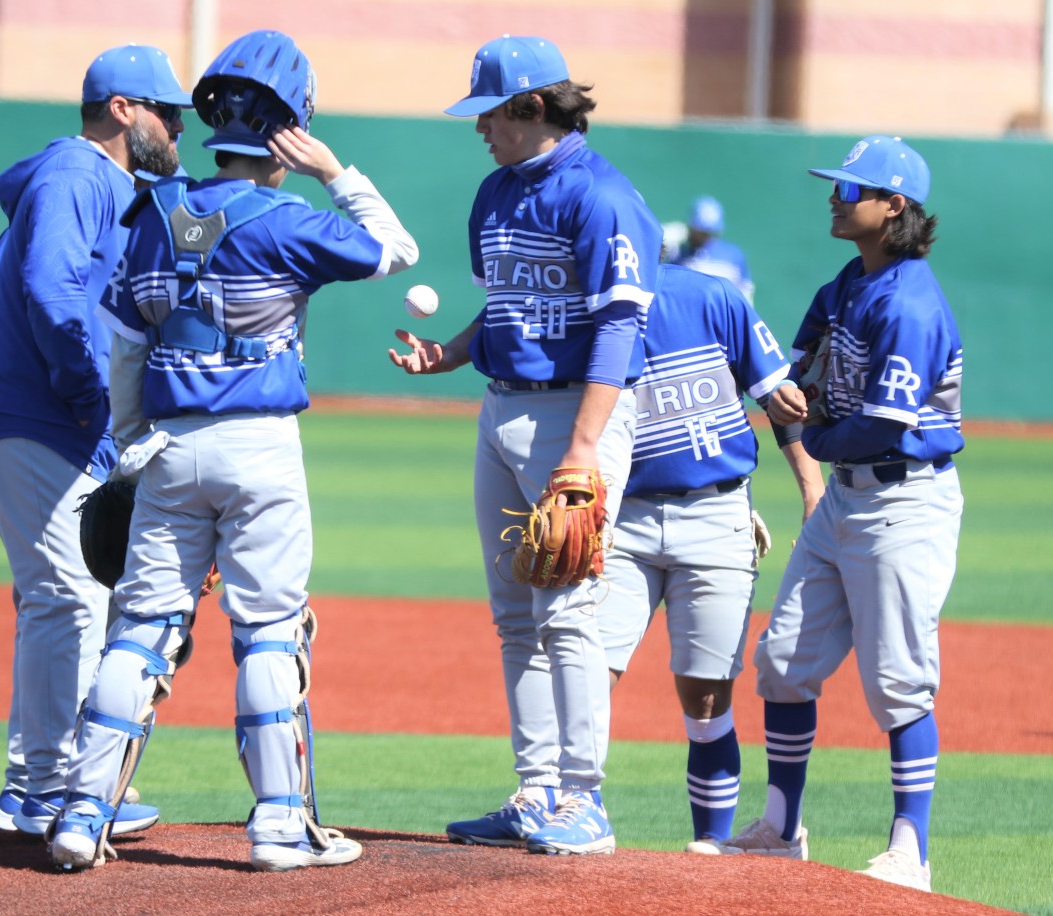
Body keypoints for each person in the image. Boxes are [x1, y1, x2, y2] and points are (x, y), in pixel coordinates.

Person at [48, 29, 418, 873]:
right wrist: (335, 170)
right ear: (289, 128)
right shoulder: (290, 218)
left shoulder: (152, 215)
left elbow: (124, 347)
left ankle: (78, 816)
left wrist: (133, 448)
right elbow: (397, 249)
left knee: (140, 631)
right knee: (268, 634)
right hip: (261, 452)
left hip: (172, 447)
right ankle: (279, 826)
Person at [389, 34, 660, 855]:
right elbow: (503, 308)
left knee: (569, 611)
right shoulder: (493, 195)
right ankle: (537, 789)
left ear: (533, 108)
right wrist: (451, 354)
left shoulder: (603, 197)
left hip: (575, 415)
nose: (480, 128)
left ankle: (585, 799)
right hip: (500, 410)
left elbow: (620, 325)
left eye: (491, 114)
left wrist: (583, 449)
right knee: (516, 615)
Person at [703, 136, 964, 895]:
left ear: (895, 207)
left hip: (904, 501)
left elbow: (881, 424)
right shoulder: (847, 282)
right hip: (845, 499)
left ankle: (909, 849)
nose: (835, 198)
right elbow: (798, 368)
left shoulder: (911, 303)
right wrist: (785, 392)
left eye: (851, 190)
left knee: (900, 683)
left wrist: (807, 431)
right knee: (783, 665)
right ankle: (782, 831)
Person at [0, 42, 190, 837]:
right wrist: (88, 404)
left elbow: (2, 314)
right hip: (40, 420)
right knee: (70, 598)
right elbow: (51, 293)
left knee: (59, 600)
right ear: (123, 109)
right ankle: (48, 788)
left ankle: (39, 783)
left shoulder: (103, 185)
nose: (180, 128)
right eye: (168, 111)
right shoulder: (75, 173)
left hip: (31, 425)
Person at [600, 260, 824, 852]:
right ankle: (573, 809)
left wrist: (813, 491)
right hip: (624, 518)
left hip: (715, 513)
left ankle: (712, 848)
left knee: (705, 693)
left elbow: (780, 400)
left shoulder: (711, 297)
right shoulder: (586, 306)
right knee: (587, 672)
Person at [669, 195, 755, 304]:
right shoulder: (678, 252)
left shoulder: (734, 255)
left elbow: (745, 294)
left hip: (720, 316)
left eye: (707, 233)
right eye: (699, 231)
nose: (702, 236)